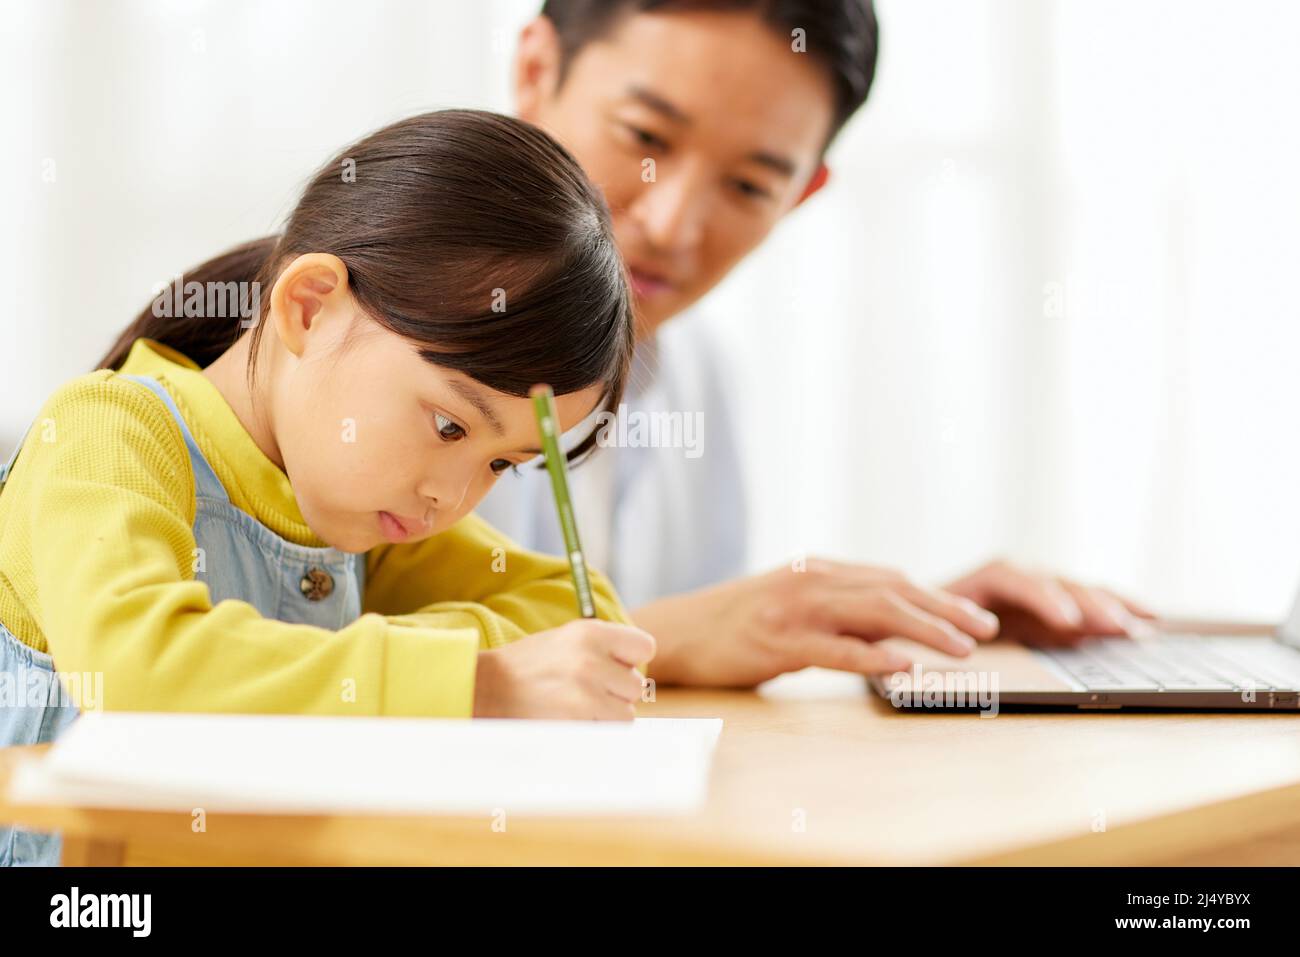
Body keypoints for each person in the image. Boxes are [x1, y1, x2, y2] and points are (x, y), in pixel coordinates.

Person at [0, 110, 656, 865]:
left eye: (500, 464)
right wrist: (475, 685)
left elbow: (580, 612)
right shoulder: (106, 433)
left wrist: (437, 671)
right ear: (309, 305)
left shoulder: (360, 514)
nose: (453, 496)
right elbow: (142, 669)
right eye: (449, 426)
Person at [477, 0, 1153, 688]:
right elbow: (368, 658)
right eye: (645, 135)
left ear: (803, 192)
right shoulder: (379, 325)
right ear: (536, 72)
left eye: (748, 184)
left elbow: (681, 667)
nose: (672, 223)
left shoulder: (699, 374)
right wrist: (668, 636)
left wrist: (913, 622)